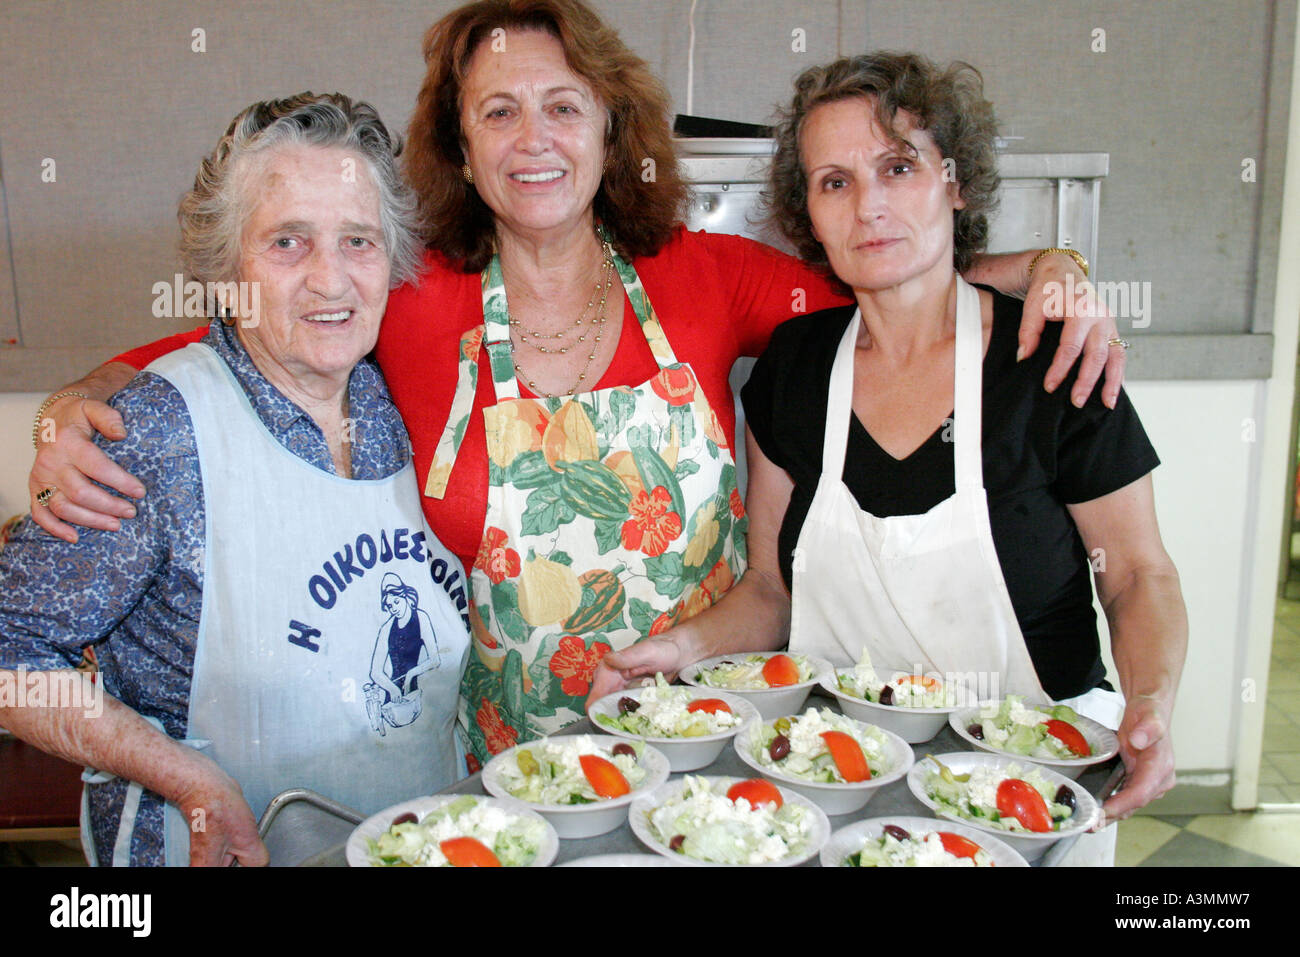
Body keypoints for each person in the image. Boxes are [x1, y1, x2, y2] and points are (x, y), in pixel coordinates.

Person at [25, 0, 1123, 766]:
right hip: (503, 775)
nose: (533, 138)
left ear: (610, 123)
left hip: (709, 737)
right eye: (496, 111)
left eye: (561, 104)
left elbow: (890, 282)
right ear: (458, 144)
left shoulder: (710, 278)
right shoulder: (405, 297)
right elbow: (238, 333)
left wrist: (1041, 271)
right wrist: (79, 399)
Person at [596, 52, 1187, 827]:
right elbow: (773, 593)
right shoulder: (795, 368)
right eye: (834, 182)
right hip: (842, 785)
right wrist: (680, 651)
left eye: (899, 166)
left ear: (956, 181)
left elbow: (1137, 574)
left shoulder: (1051, 358)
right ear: (808, 212)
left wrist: (1149, 702)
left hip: (1038, 785)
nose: (869, 206)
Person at [0, 93, 470, 865]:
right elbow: (12, 648)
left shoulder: (402, 401)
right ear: (226, 270)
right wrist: (181, 775)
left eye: (359, 241)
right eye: (288, 242)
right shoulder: (155, 433)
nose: (331, 280)